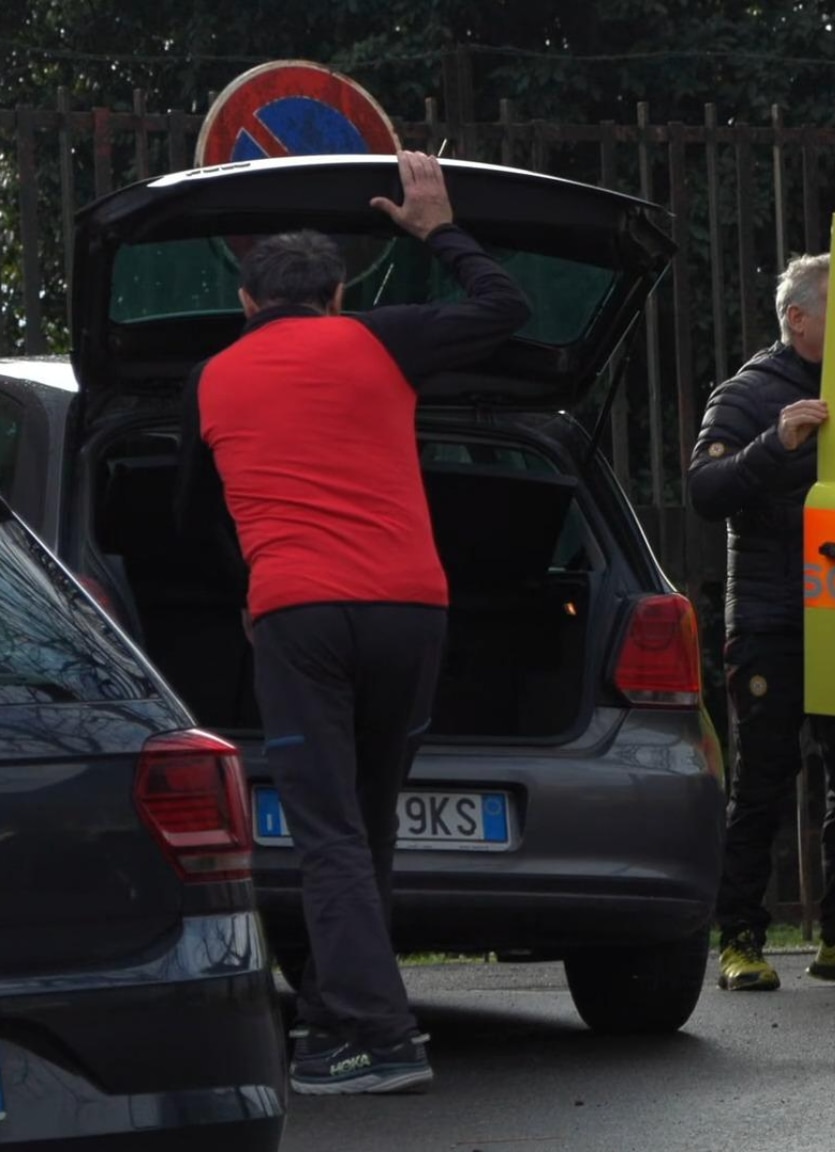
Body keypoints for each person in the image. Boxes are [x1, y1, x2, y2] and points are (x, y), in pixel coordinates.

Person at [172, 152, 531, 1094]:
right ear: (335, 294)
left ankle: (382, 1036)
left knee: (328, 831)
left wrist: (248, 588)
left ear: (247, 302)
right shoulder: (383, 340)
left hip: (300, 616)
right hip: (414, 609)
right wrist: (437, 228)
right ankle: (336, 1016)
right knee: (367, 826)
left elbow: (191, 523)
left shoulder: (211, 379)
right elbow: (506, 310)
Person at [688, 252, 835, 993]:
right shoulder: (747, 394)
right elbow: (705, 489)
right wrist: (772, 444)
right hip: (772, 620)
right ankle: (741, 943)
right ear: (798, 317)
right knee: (762, 780)